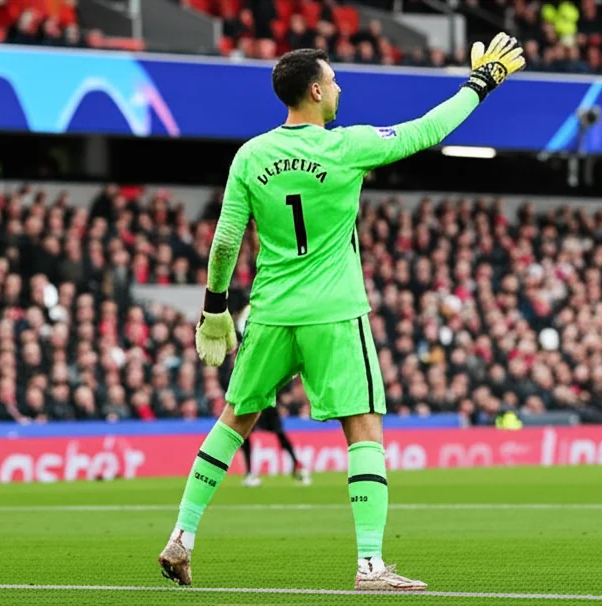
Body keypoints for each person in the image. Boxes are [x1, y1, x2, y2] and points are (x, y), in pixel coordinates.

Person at [158, 33, 525, 591]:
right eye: (331, 80)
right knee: (364, 429)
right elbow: (427, 130)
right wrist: (480, 85)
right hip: (333, 311)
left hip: (271, 312)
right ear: (313, 90)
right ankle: (371, 565)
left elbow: (227, 238)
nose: (338, 86)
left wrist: (214, 308)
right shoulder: (347, 146)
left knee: (235, 420)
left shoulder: (251, 155)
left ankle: (181, 538)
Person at [240, 404, 311, 486]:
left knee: (280, 435)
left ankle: (297, 466)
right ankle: (249, 473)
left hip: (265, 405)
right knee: (246, 436)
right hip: (252, 405)